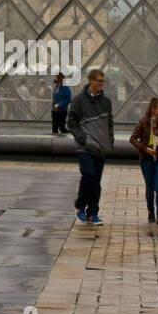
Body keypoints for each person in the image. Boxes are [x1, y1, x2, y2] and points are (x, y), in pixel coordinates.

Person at [67, 68, 114, 226]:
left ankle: (92, 212)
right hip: (84, 147)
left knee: (96, 181)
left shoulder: (106, 102)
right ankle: (80, 205)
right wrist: (82, 139)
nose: (102, 84)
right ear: (91, 81)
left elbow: (109, 124)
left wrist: (110, 142)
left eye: (103, 81)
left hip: (100, 147)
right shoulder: (79, 100)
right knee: (89, 174)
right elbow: (72, 122)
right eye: (99, 81)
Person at [129, 97, 158, 227]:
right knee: (150, 187)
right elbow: (132, 139)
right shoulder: (144, 122)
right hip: (147, 158)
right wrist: (145, 149)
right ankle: (151, 213)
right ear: (153, 109)